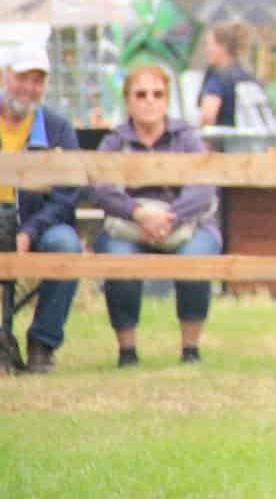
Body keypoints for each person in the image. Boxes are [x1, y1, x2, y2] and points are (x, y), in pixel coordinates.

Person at [93, 62, 221, 367]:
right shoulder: (114, 141)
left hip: (187, 223)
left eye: (157, 93)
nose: (150, 100)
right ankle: (127, 351)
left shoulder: (187, 137)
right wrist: (138, 212)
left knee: (196, 259)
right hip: (128, 225)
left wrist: (169, 218)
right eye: (141, 94)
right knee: (119, 260)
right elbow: (101, 188)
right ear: (127, 101)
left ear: (166, 100)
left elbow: (204, 187)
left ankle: (190, 349)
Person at [0, 43, 83, 373]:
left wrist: (29, 231)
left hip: (39, 220)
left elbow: (68, 193)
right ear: (6, 77)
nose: (29, 88)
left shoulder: (57, 127)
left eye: (38, 81)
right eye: (23, 78)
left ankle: (42, 343)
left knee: (67, 246)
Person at [197, 20, 262, 129]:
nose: (206, 49)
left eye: (209, 44)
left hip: (223, 142)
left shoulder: (218, 77)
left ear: (222, 47)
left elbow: (208, 116)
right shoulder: (246, 76)